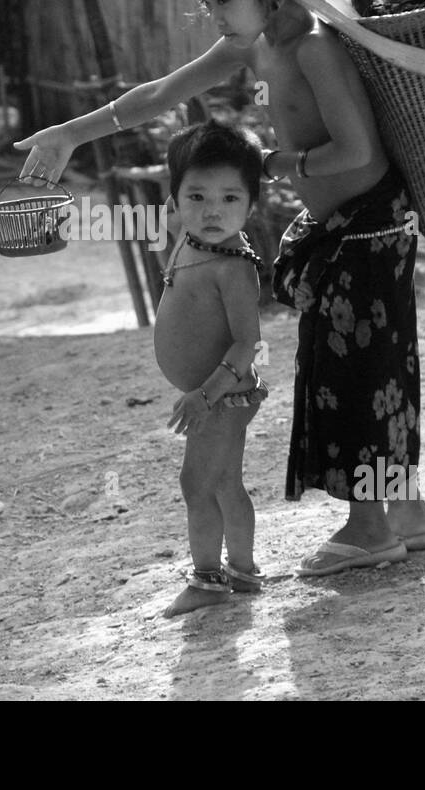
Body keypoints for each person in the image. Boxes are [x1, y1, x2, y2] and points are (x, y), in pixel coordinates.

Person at [14, 0, 425, 580]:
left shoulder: (313, 46)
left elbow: (357, 150)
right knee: (373, 372)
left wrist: (279, 165)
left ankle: (371, 528)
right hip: (346, 230)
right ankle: (409, 514)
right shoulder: (257, 43)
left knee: (358, 379)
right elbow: (161, 91)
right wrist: (72, 132)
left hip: (371, 226)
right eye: (206, 2)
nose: (213, 14)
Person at [156, 122, 268, 616]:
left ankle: (207, 580)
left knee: (196, 484)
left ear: (252, 206)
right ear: (174, 203)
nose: (212, 211)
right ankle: (242, 571)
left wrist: (205, 394)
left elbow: (250, 341)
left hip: (222, 394)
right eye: (197, 196)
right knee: (224, 483)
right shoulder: (188, 241)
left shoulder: (234, 266)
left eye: (229, 198)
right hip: (215, 393)